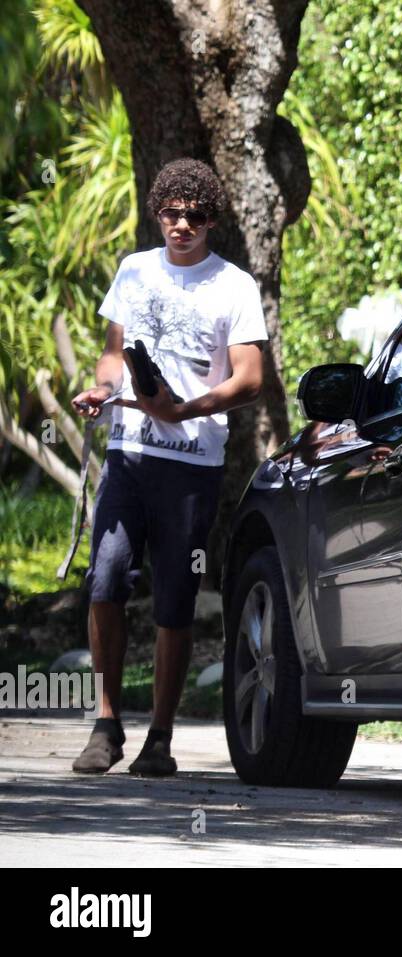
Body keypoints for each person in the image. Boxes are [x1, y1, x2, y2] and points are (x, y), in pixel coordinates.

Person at [69, 158, 267, 776]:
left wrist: (185, 409)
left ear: (212, 221)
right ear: (157, 211)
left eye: (196, 216)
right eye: (172, 213)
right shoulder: (134, 271)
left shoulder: (233, 285)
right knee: (105, 581)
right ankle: (106, 724)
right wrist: (102, 390)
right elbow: (111, 357)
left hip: (191, 465)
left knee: (176, 601)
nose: (182, 224)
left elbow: (252, 379)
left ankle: (159, 738)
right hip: (129, 454)